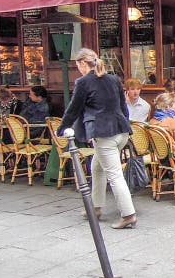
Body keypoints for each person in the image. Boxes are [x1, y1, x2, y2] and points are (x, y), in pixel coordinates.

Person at [58, 48, 137, 229]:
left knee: (114, 175)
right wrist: (125, 124)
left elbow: (73, 109)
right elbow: (123, 107)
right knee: (97, 168)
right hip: (121, 131)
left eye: (78, 65)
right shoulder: (114, 79)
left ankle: (128, 215)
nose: (78, 69)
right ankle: (95, 208)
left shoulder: (83, 82)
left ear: (82, 63)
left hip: (104, 134)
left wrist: (61, 128)